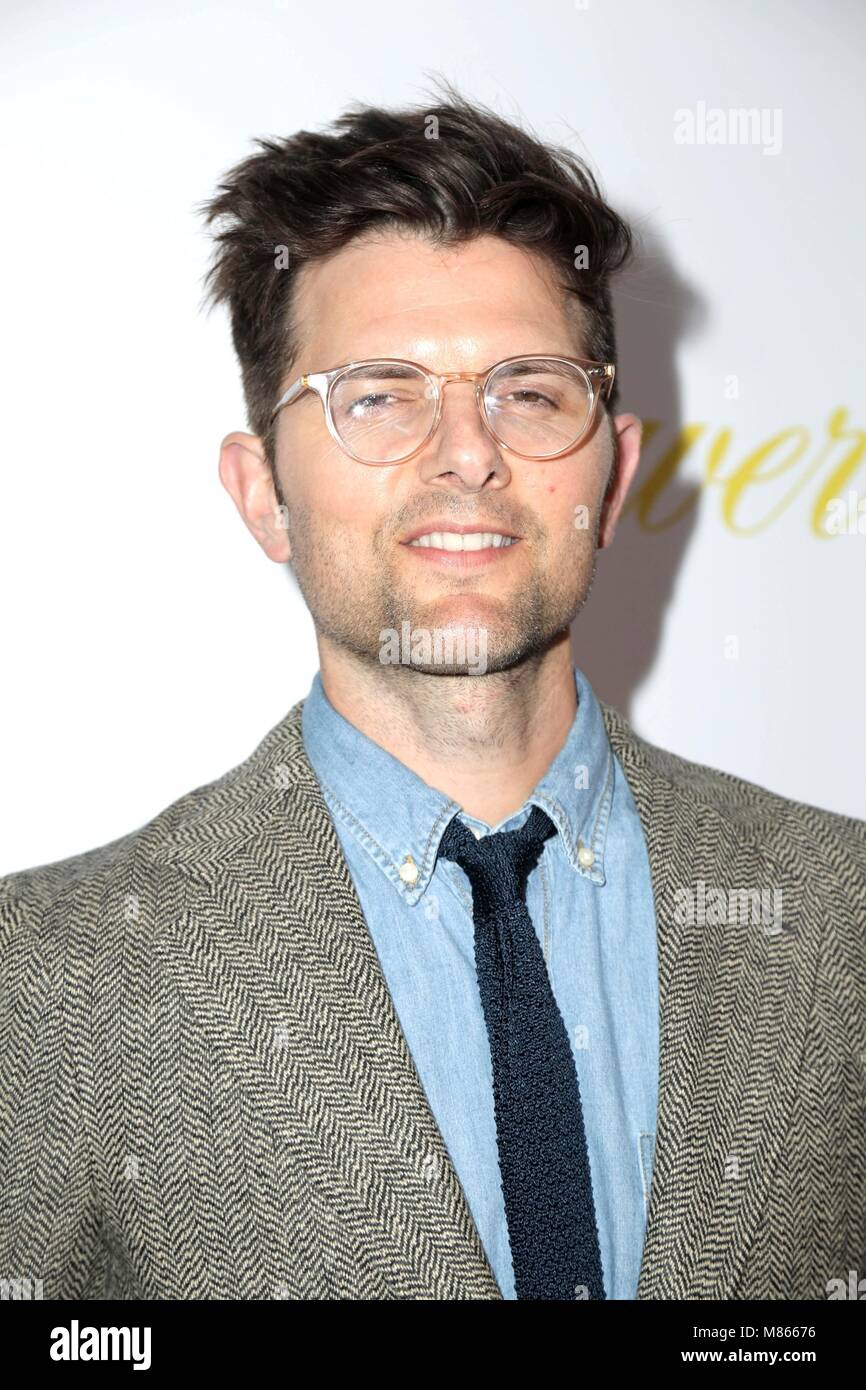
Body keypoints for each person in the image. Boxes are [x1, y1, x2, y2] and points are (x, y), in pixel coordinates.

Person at [2, 85, 864, 1302]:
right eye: (378, 395)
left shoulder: (843, 916)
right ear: (261, 495)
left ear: (612, 477)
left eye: (528, 390)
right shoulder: (42, 977)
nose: (468, 450)